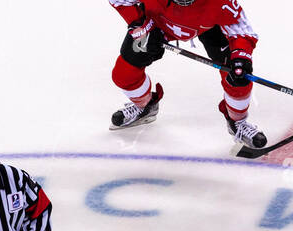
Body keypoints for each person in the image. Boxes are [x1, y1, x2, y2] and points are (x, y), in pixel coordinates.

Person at [107, 0, 267, 148]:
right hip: (158, 23)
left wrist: (241, 56)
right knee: (124, 74)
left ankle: (238, 121)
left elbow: (243, 31)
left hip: (211, 27)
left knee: (238, 78)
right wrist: (140, 24)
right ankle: (144, 106)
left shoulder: (220, 3)